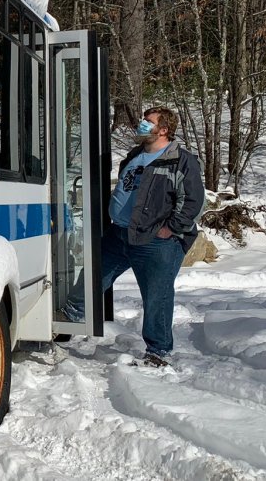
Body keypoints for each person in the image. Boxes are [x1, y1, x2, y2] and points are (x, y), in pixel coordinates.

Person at [61, 106, 204, 367]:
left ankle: (158, 351)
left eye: (148, 122)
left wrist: (169, 228)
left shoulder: (181, 161)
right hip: (119, 234)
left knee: (156, 295)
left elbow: (193, 202)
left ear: (163, 129)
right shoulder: (135, 155)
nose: (141, 124)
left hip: (155, 240)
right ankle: (67, 322)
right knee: (93, 277)